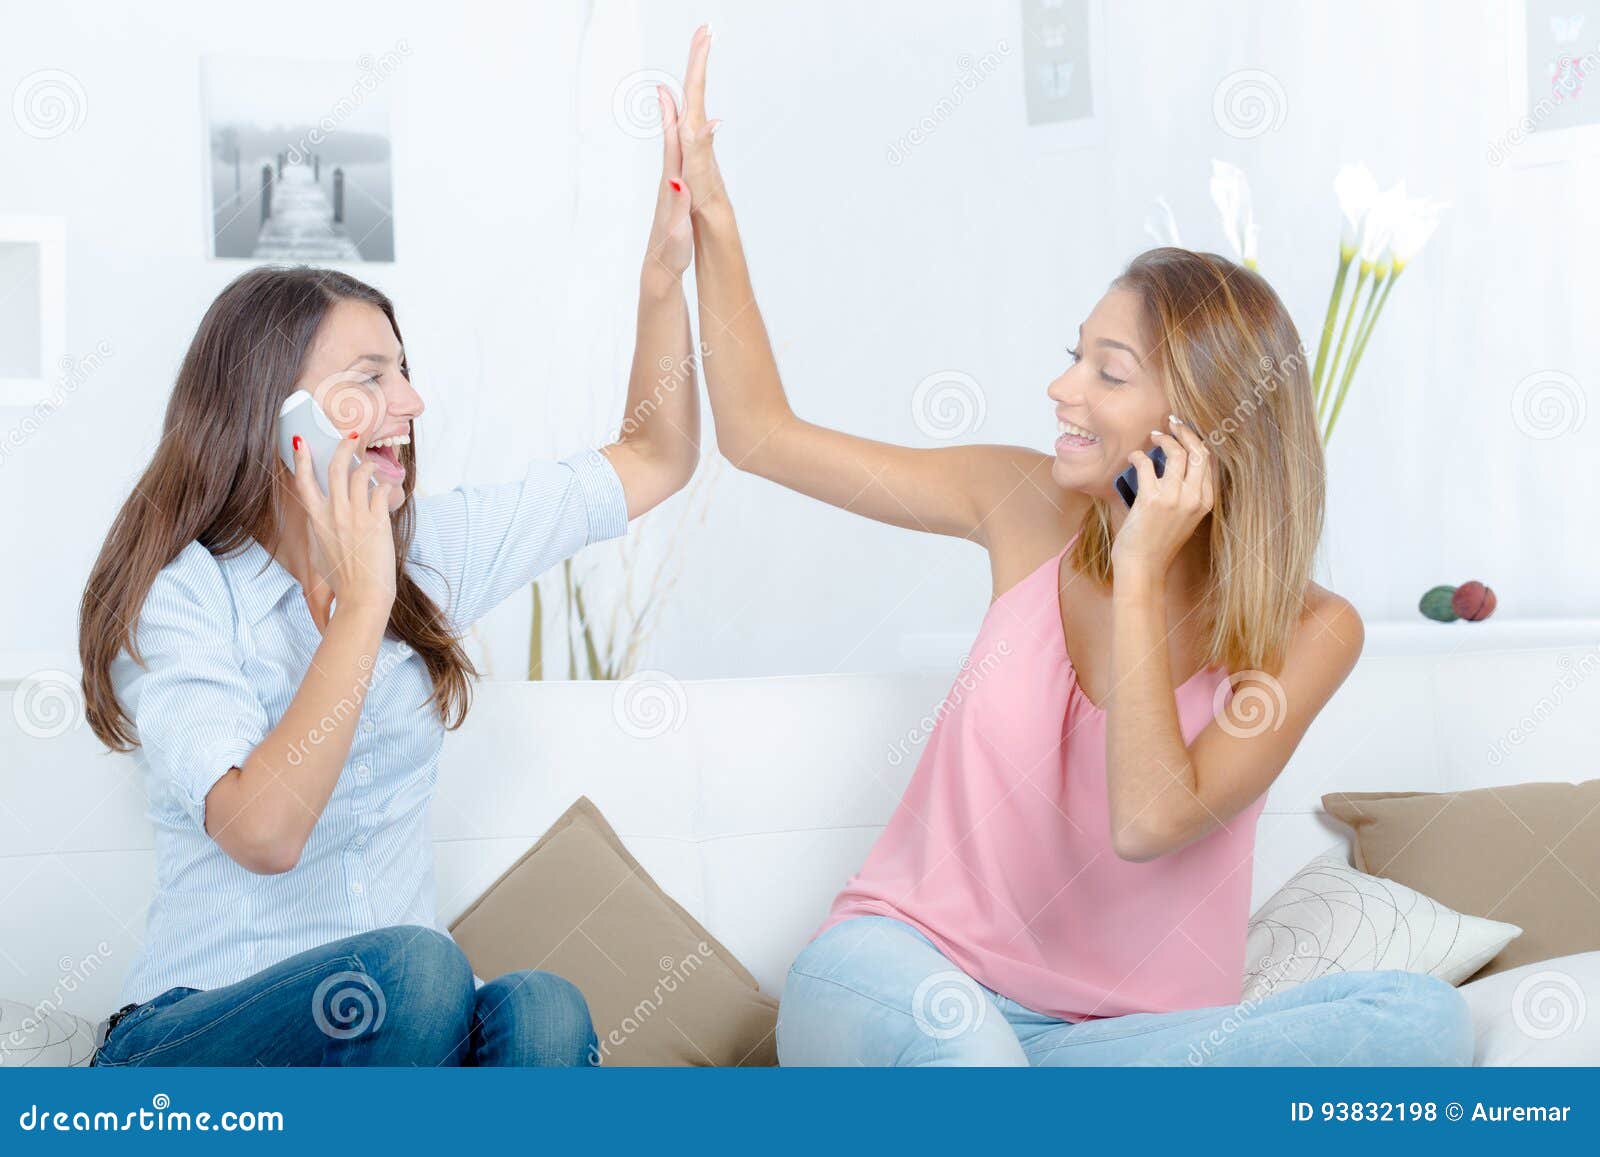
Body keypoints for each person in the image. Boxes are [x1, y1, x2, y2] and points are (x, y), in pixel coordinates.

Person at [668, 26, 1474, 1066]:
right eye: (1071, 358)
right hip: (904, 975)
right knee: (971, 1057)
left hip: (1114, 1042)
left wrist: (1139, 569)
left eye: (1108, 369)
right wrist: (718, 225)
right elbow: (760, 437)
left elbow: (1148, 817)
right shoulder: (1022, 504)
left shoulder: (1312, 631)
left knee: (1421, 1020)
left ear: (1204, 418)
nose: (1062, 390)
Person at [78, 93, 701, 1066]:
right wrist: (362, 604)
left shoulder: (436, 549)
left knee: (539, 1004)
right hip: (198, 1029)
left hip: (402, 1029)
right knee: (413, 970)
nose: (409, 402)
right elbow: (265, 832)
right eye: (369, 375)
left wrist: (664, 275)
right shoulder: (185, 597)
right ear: (278, 418)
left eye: (403, 371)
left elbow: (655, 458)